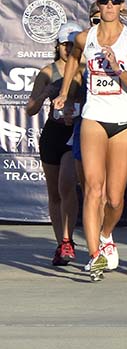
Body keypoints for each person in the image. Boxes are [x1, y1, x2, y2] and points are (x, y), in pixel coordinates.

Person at [54, 0, 127, 281]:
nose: (109, 6)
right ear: (98, 5)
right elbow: (73, 58)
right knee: (93, 189)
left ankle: (107, 235)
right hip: (94, 117)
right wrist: (65, 93)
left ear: (122, 5)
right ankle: (94, 254)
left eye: (114, 1)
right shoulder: (86, 37)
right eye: (104, 1)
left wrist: (117, 69)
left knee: (115, 198)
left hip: (122, 120)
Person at [27, 22, 83, 266]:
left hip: (77, 132)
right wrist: (45, 93)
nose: (68, 49)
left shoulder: (86, 69)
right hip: (53, 133)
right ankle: (61, 242)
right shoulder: (48, 72)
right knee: (54, 192)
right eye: (64, 44)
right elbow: (30, 109)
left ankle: (69, 238)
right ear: (58, 45)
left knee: (67, 185)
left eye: (73, 44)